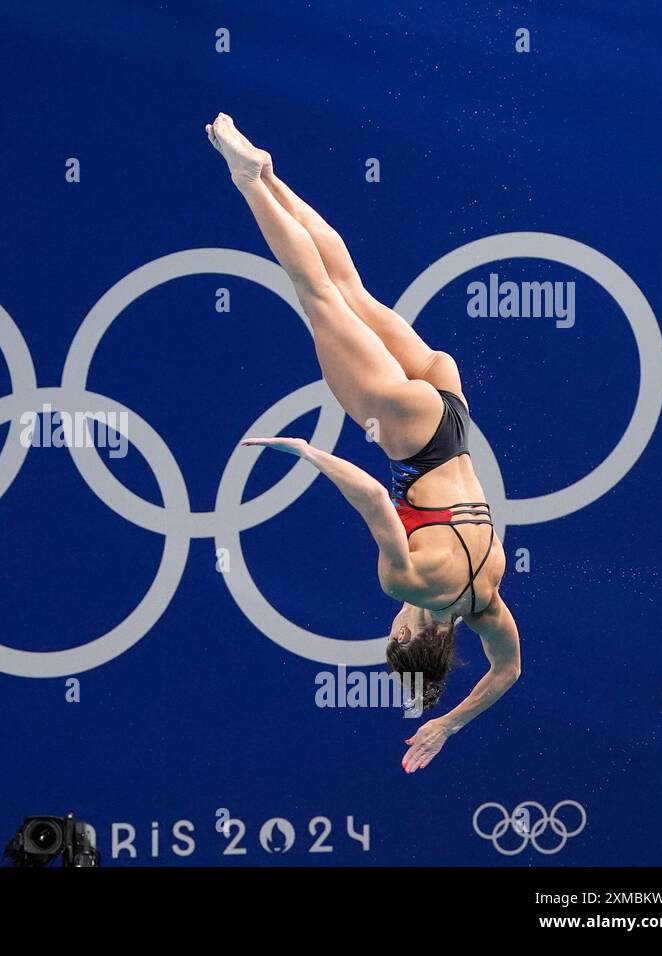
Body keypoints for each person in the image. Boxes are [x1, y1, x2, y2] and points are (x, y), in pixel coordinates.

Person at [207, 113, 520, 772]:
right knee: (317, 295)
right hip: (409, 433)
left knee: (350, 288)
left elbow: (507, 673)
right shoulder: (404, 581)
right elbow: (377, 498)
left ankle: (270, 172)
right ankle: (249, 181)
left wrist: (448, 726)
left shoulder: (488, 603)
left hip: (453, 410)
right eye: (393, 633)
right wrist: (309, 455)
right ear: (406, 633)